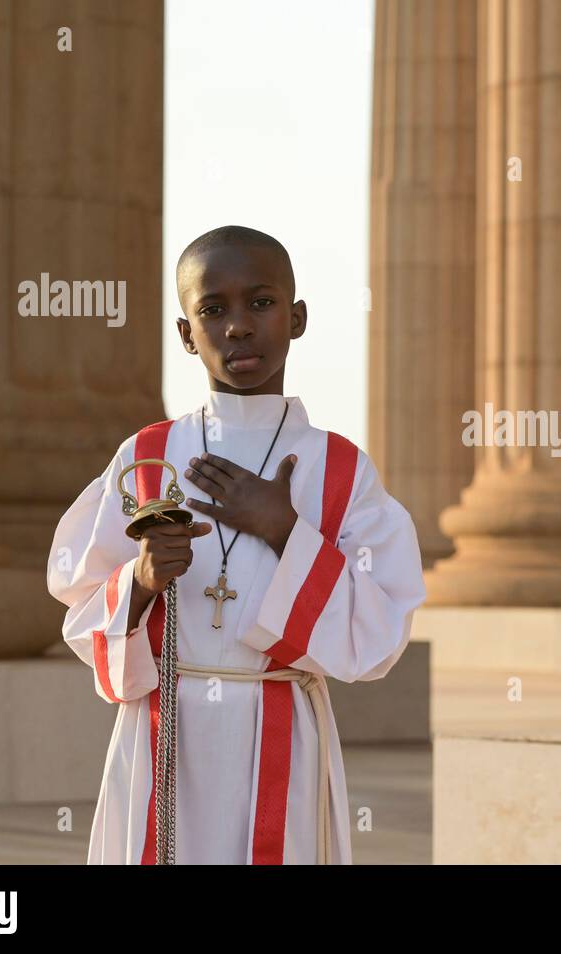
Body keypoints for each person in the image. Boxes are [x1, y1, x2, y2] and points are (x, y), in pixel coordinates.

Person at [47, 225, 426, 864]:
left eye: (261, 302)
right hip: (165, 737)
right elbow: (77, 596)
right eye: (213, 310)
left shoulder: (338, 469)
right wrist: (139, 582)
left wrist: (284, 531)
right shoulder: (145, 457)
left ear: (297, 316)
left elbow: (381, 631)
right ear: (186, 334)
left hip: (283, 732)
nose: (239, 326)